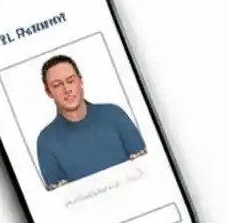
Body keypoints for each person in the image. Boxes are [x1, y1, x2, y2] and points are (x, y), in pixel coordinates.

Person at [35, 55, 147, 189]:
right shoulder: (46, 141)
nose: (67, 90)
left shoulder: (114, 115)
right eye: (57, 85)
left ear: (80, 81)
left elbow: (147, 169)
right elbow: (62, 201)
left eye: (70, 81)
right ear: (48, 91)